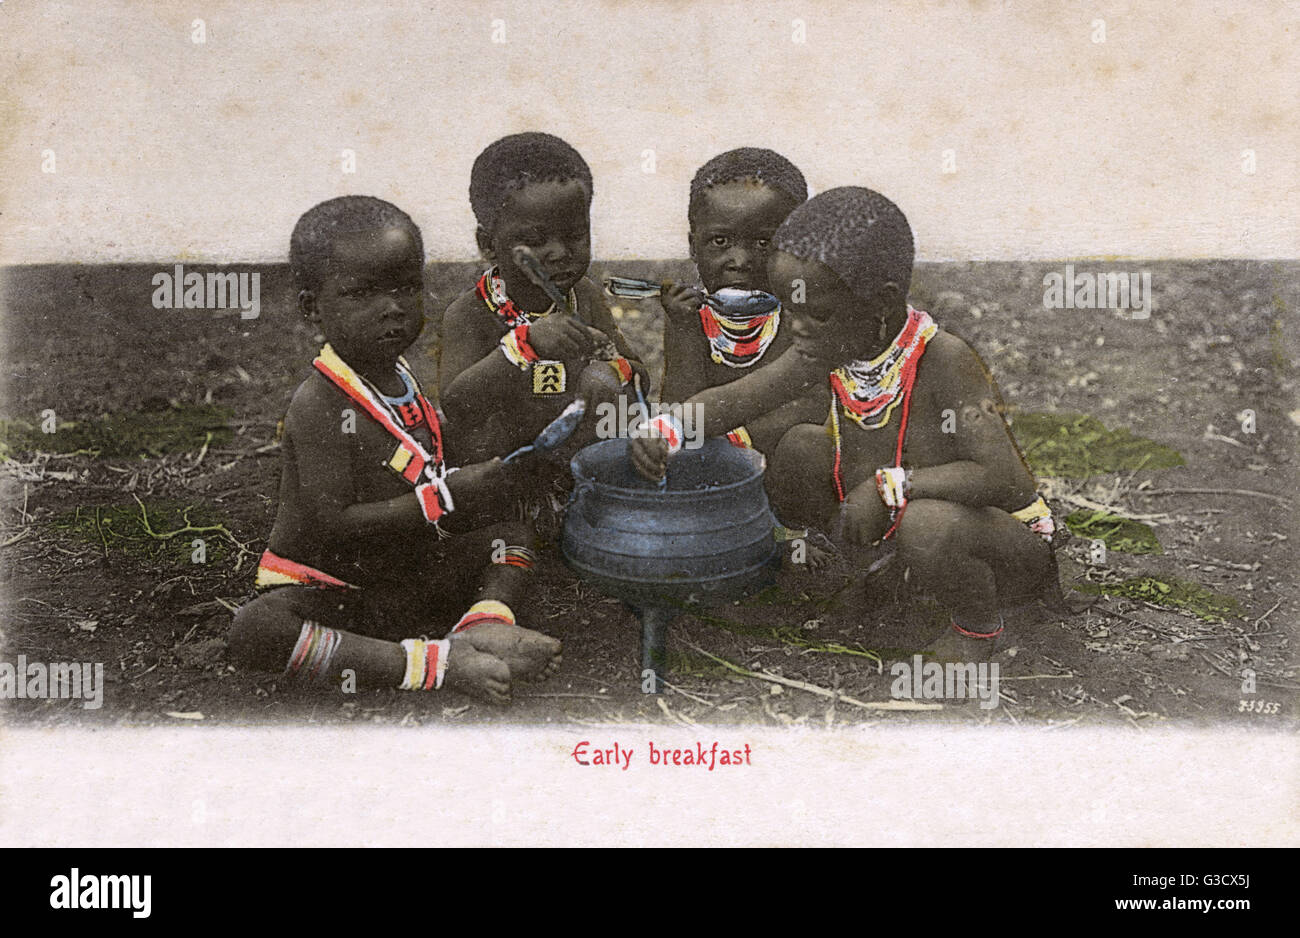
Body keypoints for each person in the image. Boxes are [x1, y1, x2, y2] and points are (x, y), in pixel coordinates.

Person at [631, 187, 1057, 659]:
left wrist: (890, 487)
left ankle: (978, 627)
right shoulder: (830, 344)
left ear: (882, 304)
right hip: (901, 516)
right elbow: (738, 399)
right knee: (799, 450)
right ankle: (880, 574)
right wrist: (665, 431)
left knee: (928, 526)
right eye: (790, 309)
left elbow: (1003, 480)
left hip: (992, 542)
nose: (797, 327)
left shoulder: (943, 359)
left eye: (817, 313)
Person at [229, 196, 561, 705]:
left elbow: (423, 447)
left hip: (401, 575)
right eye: (361, 294)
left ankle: (484, 623)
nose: (392, 307)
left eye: (405, 286)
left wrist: (498, 463)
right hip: (331, 589)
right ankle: (432, 665)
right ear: (310, 308)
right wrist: (444, 498)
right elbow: (331, 523)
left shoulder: (398, 376)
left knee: (510, 535)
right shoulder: (319, 404)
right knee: (261, 628)